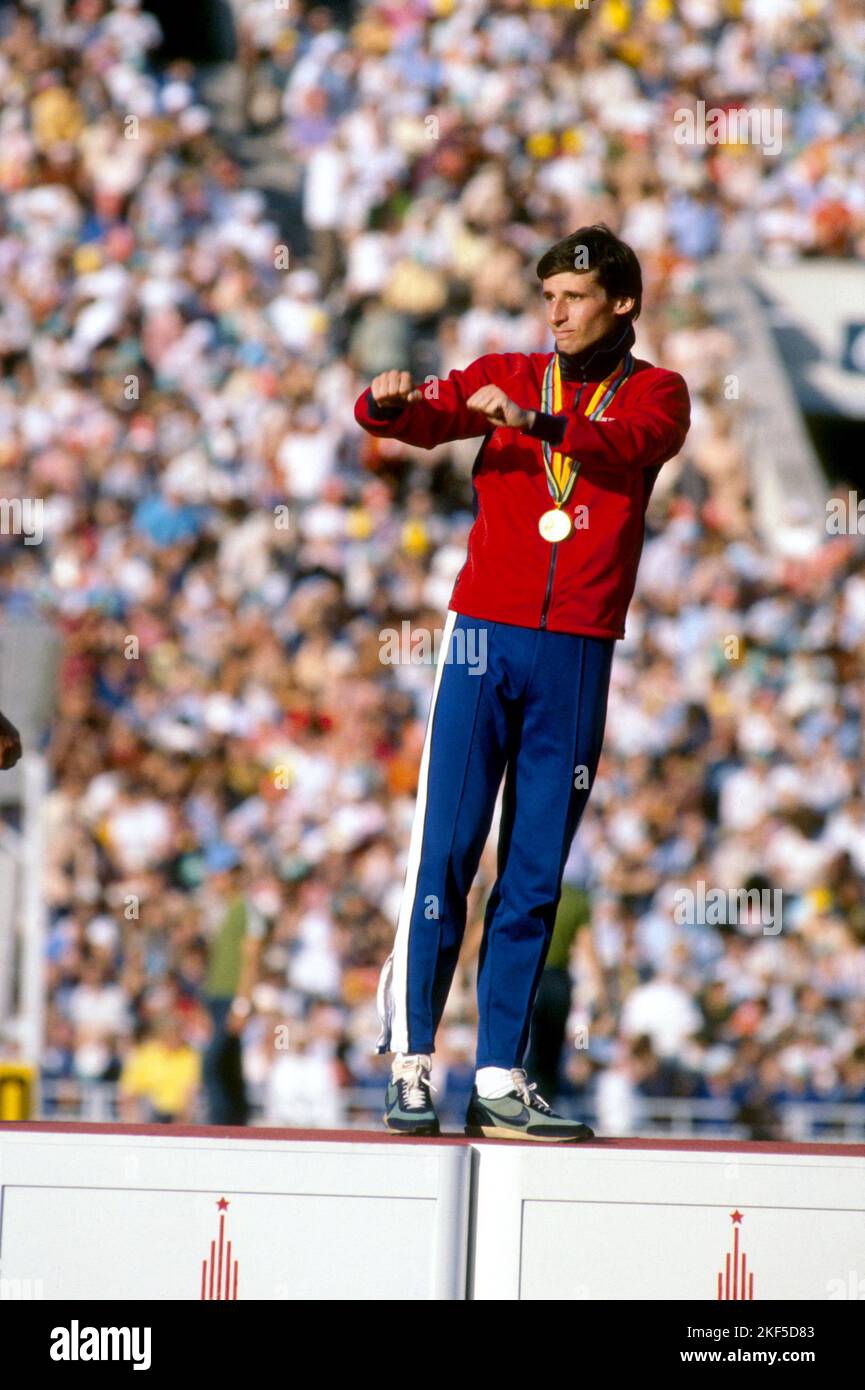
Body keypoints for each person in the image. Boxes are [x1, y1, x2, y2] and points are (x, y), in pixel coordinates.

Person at [354, 224, 691, 1142]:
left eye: (574, 298)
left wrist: (533, 423)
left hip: (578, 650)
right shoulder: (506, 366)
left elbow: (626, 447)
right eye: (548, 297)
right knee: (446, 854)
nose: (556, 313)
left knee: (534, 874)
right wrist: (383, 403)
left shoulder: (658, 391)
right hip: (482, 640)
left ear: (620, 302)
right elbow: (424, 418)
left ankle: (500, 1074)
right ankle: (413, 1062)